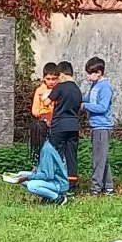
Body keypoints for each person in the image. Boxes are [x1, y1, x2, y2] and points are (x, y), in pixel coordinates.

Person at [83, 56, 115, 197]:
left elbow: (102, 107)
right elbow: (88, 98)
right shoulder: (94, 85)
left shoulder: (105, 87)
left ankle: (95, 189)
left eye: (91, 73)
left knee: (98, 159)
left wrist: (84, 106)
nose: (88, 76)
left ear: (99, 72)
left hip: (102, 126)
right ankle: (108, 188)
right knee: (102, 158)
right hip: (95, 126)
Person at [48, 61, 82, 193]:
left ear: (62, 74)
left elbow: (47, 101)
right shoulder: (77, 90)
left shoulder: (60, 87)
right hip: (73, 126)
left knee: (55, 153)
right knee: (71, 155)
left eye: (57, 76)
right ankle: (72, 183)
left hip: (59, 126)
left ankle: (56, 180)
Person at [17, 121, 69, 206]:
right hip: (53, 180)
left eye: (31, 136)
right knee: (19, 175)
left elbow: (48, 175)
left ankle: (58, 198)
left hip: (58, 183)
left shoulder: (46, 149)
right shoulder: (45, 146)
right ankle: (48, 196)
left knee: (32, 185)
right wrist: (37, 168)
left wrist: (29, 177)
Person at [30, 62, 58, 161]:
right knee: (43, 147)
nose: (51, 82)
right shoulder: (39, 91)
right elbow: (35, 109)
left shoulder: (60, 89)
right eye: (48, 79)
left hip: (56, 121)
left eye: (54, 79)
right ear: (43, 78)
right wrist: (44, 116)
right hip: (43, 122)